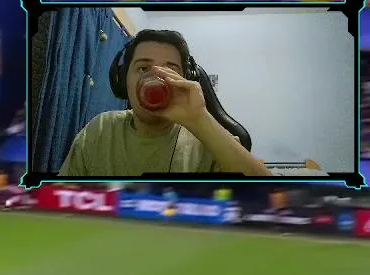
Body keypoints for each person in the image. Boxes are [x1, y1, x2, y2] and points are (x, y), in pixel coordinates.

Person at [58, 29, 270, 177]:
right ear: (123, 80)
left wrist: (200, 119)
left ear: (185, 80)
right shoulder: (101, 130)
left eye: (170, 70)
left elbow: (268, 197)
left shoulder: (206, 138)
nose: (156, 78)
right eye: (143, 68)